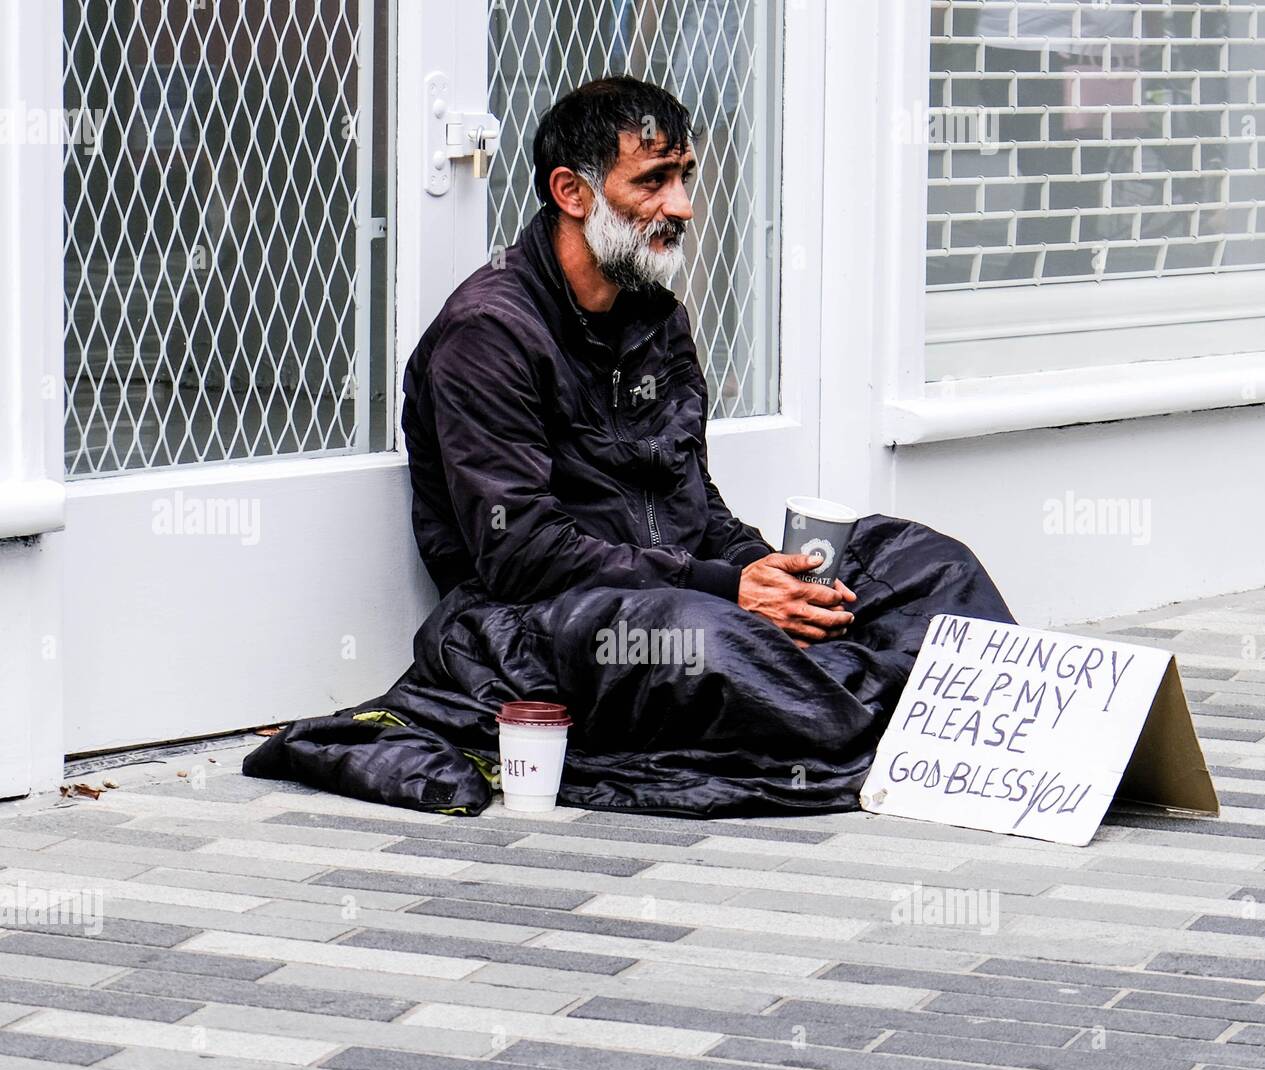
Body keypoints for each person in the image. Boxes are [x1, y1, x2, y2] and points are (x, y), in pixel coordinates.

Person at [244, 77, 1013, 817]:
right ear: (571, 192)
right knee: (696, 639)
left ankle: (873, 698)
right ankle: (899, 706)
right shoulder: (489, 333)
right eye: (652, 182)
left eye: (684, 177)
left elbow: (693, 501)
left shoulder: (657, 315)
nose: (679, 206)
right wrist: (727, 590)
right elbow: (523, 557)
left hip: (687, 591)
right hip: (536, 628)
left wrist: (762, 569)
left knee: (922, 561)